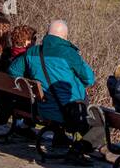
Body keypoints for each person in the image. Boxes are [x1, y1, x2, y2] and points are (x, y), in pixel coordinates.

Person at [8, 19, 96, 149]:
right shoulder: (69, 54)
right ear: (65, 37)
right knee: (97, 127)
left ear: (47, 34)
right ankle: (79, 148)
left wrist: (32, 82)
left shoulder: (32, 52)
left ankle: (60, 137)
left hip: (43, 108)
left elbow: (13, 70)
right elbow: (89, 79)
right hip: (69, 111)